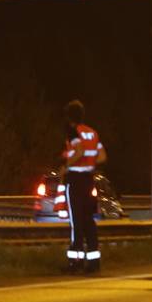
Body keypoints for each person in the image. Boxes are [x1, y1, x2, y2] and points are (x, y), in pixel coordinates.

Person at [62, 100, 107, 274]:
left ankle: (75, 262)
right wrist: (90, 163)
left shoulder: (73, 131)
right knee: (89, 220)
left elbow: (79, 151)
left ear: (69, 117)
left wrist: (66, 165)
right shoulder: (92, 133)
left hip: (75, 180)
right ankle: (94, 262)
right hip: (89, 180)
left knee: (76, 221)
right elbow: (102, 156)